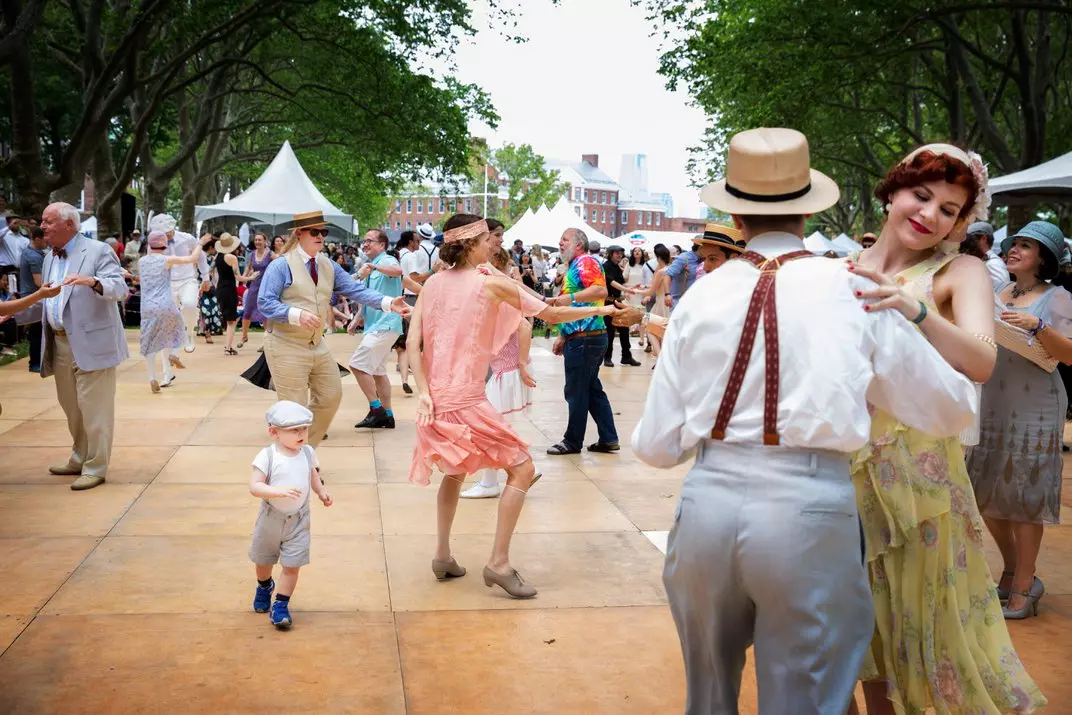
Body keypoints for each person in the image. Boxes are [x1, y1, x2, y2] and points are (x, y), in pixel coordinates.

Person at [632, 128, 980, 714]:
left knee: (707, 695)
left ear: (735, 214)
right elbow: (951, 407)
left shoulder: (700, 296)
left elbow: (657, 446)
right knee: (806, 695)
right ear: (808, 207)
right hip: (810, 505)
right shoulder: (856, 291)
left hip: (707, 505)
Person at [848, 144, 1044, 714]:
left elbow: (982, 360)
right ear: (893, 193)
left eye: (950, 209)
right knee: (855, 623)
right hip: (843, 468)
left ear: (961, 224)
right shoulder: (842, 272)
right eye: (922, 195)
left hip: (920, 478)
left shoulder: (959, 271)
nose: (931, 214)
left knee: (914, 622)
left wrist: (915, 311)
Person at [407, 214, 618, 598]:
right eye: (489, 238)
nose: (495, 243)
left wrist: (423, 391)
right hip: (467, 398)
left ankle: (442, 556)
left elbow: (412, 342)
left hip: (438, 398)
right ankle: (499, 564)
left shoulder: (434, 283)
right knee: (522, 468)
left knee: (453, 472)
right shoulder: (491, 283)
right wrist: (599, 311)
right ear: (471, 243)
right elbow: (549, 315)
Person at [970, 220, 1072, 622]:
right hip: (993, 398)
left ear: (1042, 258)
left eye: (1025, 246)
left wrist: (1039, 326)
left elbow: (1069, 356)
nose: (1012, 250)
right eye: (1014, 244)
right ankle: (1013, 568)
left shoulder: (1058, 298)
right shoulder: (999, 292)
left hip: (1037, 406)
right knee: (988, 494)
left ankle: (1025, 585)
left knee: (1026, 499)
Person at [258, 211, 409, 447]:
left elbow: (355, 289)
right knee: (294, 409)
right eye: (315, 232)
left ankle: (305, 451)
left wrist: (389, 303)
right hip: (284, 344)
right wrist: (296, 314)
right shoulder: (281, 265)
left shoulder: (326, 265)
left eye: (324, 232)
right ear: (299, 234)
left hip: (316, 344)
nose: (321, 236)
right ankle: (296, 462)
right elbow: (265, 302)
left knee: (331, 395)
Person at [39, 202, 130, 491]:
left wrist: (94, 281)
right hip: (61, 343)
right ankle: (79, 457)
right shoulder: (48, 256)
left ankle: (95, 467)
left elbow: (120, 287)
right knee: (72, 409)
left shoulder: (99, 250)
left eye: (48, 221)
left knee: (95, 410)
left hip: (94, 343)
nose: (42, 226)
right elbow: (48, 298)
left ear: (69, 224)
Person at [460, 248, 539, 499]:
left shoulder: (499, 295)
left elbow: (525, 326)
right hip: (504, 370)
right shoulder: (494, 295)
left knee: (492, 428)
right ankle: (495, 479)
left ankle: (511, 472)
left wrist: (523, 363)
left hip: (509, 371)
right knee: (494, 428)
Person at [249, 400, 332, 629]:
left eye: (304, 428)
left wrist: (321, 492)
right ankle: (265, 584)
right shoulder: (268, 456)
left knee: (292, 564)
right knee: (262, 560)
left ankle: (281, 605)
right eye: (294, 430)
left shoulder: (307, 452)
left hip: (299, 520)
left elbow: (312, 474)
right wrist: (276, 491)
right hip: (270, 519)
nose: (301, 434)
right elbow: (255, 486)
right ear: (274, 432)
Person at [545, 228, 620, 456]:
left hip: (586, 338)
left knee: (576, 390)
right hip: (584, 336)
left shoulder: (585, 261)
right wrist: (562, 335)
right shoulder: (576, 265)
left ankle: (572, 441)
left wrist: (570, 297)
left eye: (564, 240)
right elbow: (574, 310)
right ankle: (608, 438)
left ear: (578, 244)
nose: (560, 243)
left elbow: (600, 290)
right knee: (591, 389)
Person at [350, 229, 403, 430]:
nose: (365, 244)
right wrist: (356, 319)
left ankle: (376, 409)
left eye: (369, 241)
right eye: (364, 241)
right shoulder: (369, 269)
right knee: (379, 372)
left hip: (385, 324)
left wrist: (375, 267)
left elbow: (398, 272)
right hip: (376, 325)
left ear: (382, 244)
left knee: (357, 365)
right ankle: (388, 416)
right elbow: (367, 297)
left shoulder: (387, 261)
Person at [138, 231, 203, 392]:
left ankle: (152, 377)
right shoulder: (166, 260)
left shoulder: (142, 261)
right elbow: (192, 259)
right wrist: (200, 243)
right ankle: (174, 352)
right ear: (164, 245)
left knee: (150, 343)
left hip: (147, 307)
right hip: (166, 304)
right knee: (178, 328)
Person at [149, 213, 211, 354]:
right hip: (167, 281)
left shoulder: (187, 238)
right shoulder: (154, 242)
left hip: (188, 279)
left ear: (172, 229)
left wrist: (206, 277)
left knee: (189, 304)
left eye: (168, 233)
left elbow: (200, 257)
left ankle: (189, 333)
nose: (166, 236)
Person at [214, 232, 255, 355]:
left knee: (230, 319)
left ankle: (228, 346)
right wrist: (251, 277)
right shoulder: (232, 258)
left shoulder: (218, 256)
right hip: (229, 289)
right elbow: (238, 277)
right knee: (231, 321)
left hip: (221, 288)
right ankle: (228, 347)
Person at [601, 245, 641, 367]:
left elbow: (621, 282)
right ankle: (607, 357)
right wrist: (627, 290)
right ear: (610, 254)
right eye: (616, 253)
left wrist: (631, 288)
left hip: (618, 302)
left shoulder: (617, 267)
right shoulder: (606, 266)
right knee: (610, 331)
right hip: (608, 303)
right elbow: (612, 282)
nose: (619, 255)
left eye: (620, 253)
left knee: (624, 329)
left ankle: (626, 357)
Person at [17, 226, 47, 371]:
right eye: (44, 239)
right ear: (37, 239)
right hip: (34, 298)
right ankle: (35, 363)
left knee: (38, 331)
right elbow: (39, 282)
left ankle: (37, 361)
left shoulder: (29, 252)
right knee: (37, 331)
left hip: (31, 297)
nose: (47, 241)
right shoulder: (34, 257)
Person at [636, 244, 672, 360]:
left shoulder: (661, 271)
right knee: (663, 332)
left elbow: (652, 290)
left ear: (657, 257)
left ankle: (660, 356)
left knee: (649, 326)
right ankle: (662, 356)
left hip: (661, 304)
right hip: (668, 304)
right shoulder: (671, 268)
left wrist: (635, 291)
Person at [239, 232, 273, 347]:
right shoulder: (252, 254)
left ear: (265, 241)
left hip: (266, 286)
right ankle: (244, 336)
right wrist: (243, 278)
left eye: (260, 240)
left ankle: (266, 341)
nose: (257, 242)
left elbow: (280, 263)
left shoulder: (270, 254)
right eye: (256, 240)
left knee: (264, 313)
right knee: (247, 310)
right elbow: (249, 267)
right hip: (254, 285)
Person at [960, 220, 1011, 290]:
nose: (968, 243)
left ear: (983, 238)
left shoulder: (993, 264)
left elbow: (1001, 292)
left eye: (971, 239)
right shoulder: (983, 261)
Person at [665, 242, 701, 308]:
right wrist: (667, 294)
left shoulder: (705, 260)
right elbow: (667, 275)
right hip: (679, 302)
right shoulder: (684, 258)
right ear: (700, 247)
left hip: (696, 302)